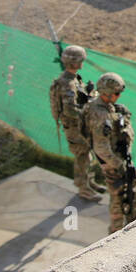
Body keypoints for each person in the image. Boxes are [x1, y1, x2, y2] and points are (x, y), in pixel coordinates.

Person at [48, 44, 102, 202]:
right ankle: (83, 188)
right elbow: (71, 110)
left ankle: (88, 182)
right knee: (82, 156)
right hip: (75, 127)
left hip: (78, 126)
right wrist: (89, 109)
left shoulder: (72, 79)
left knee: (87, 155)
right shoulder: (68, 84)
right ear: (76, 62)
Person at [85, 72, 136, 233]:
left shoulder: (105, 106)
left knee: (128, 187)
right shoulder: (100, 115)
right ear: (106, 93)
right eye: (116, 93)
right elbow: (101, 148)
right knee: (118, 195)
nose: (119, 96)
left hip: (117, 156)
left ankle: (131, 214)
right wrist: (117, 164)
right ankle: (116, 229)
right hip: (112, 162)